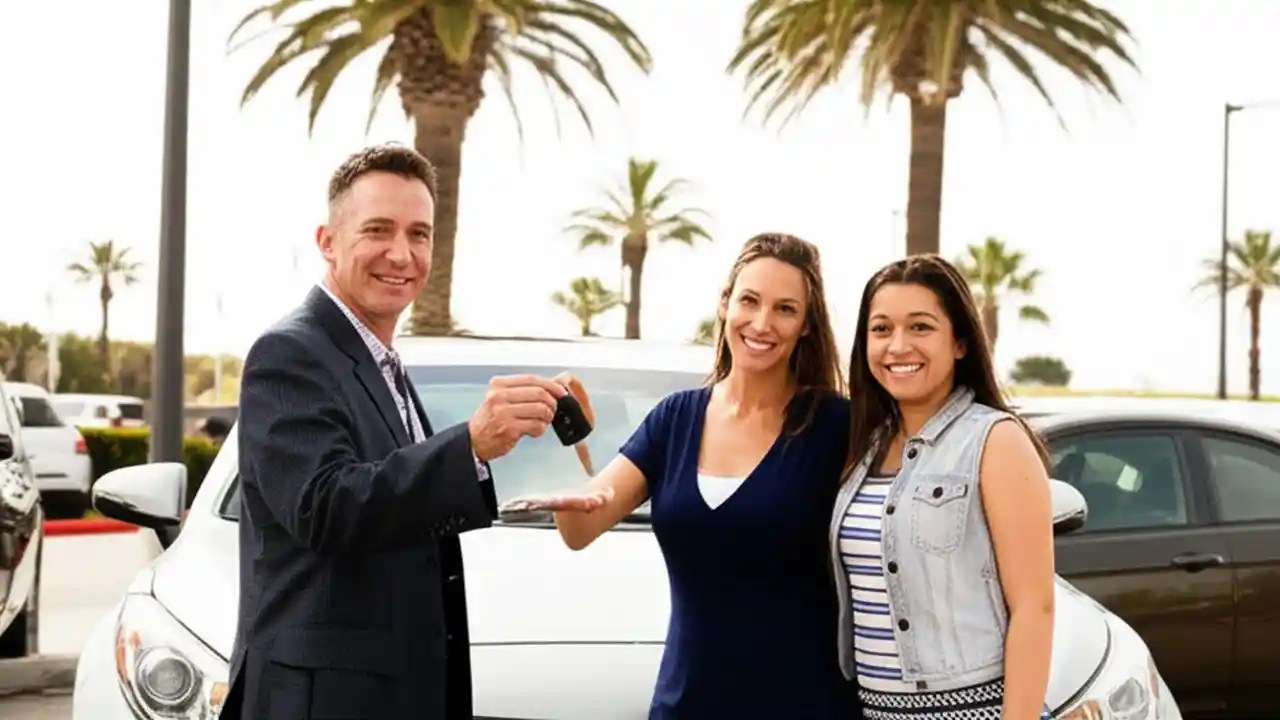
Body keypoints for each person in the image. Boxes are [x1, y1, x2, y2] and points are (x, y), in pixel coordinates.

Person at [220, 144, 580, 720]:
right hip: (324, 701)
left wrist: (494, 453)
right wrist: (469, 445)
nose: (402, 253)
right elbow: (325, 505)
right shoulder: (289, 352)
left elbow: (403, 509)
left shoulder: (383, 361)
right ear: (327, 241)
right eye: (378, 230)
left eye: (420, 234)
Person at [520, 233, 863, 719]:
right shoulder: (675, 419)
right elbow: (579, 529)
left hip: (805, 705)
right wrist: (570, 439)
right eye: (749, 300)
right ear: (725, 304)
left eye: (785, 309)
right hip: (686, 705)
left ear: (807, 325)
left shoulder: (838, 427)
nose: (762, 323)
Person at [831, 254, 1055, 720]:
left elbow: (1035, 608)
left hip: (972, 709)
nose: (898, 346)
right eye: (881, 329)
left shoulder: (995, 439)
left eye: (920, 327)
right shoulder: (863, 445)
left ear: (960, 343)